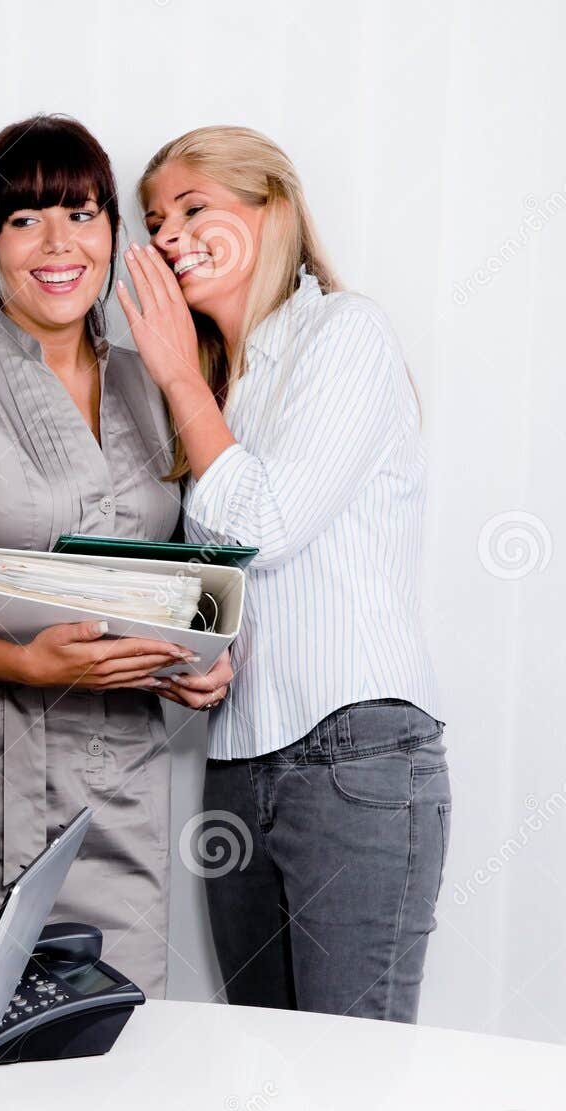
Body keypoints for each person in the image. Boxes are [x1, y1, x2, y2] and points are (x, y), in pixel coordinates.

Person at [0, 114, 231, 992]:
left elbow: (183, 574)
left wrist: (199, 661)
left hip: (118, 779)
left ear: (113, 231)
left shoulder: (157, 384)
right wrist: (27, 663)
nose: (58, 243)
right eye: (25, 219)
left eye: (81, 213)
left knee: (114, 1034)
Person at [120, 125, 449, 1021]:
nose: (169, 235)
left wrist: (178, 378)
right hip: (238, 765)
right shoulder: (223, 387)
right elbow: (225, 581)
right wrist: (190, 659)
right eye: (156, 221)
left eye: (194, 208)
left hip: (357, 758)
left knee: (352, 1070)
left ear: (274, 211)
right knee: (263, 1063)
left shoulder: (344, 333)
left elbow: (264, 527)